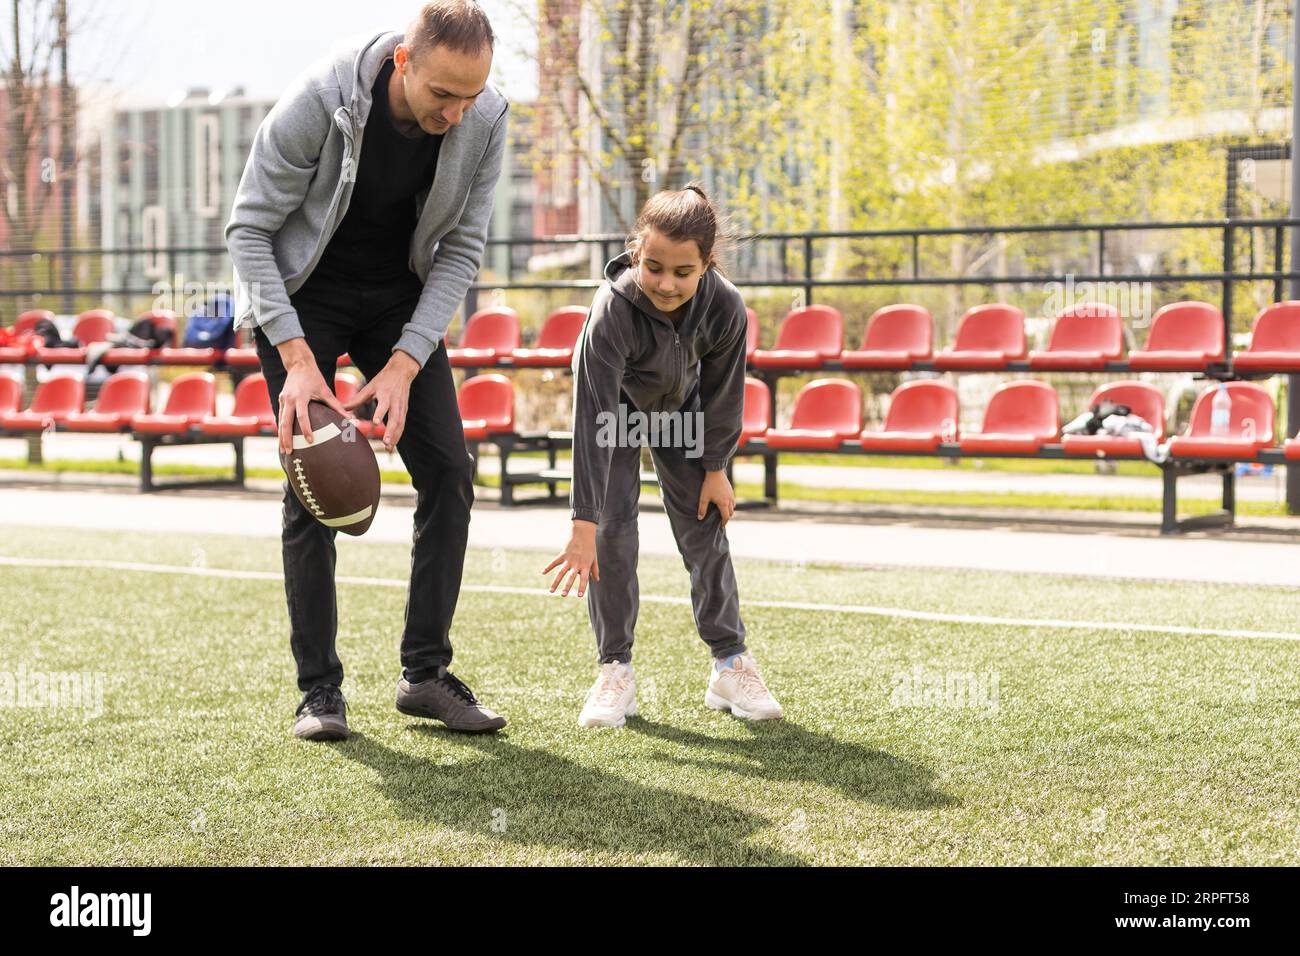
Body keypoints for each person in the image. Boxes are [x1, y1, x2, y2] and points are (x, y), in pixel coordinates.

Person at [225, 1, 508, 741]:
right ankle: (319, 692)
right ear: (403, 63)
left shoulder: (486, 118)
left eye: (470, 96)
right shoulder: (321, 98)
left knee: (448, 469)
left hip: (398, 299)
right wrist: (293, 358)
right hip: (301, 293)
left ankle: (424, 675)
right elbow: (248, 229)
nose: (456, 112)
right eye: (443, 94)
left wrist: (408, 362)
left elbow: (462, 251)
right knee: (311, 484)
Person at [543, 184, 783, 728]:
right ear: (635, 254)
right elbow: (592, 419)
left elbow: (725, 394)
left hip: (686, 415)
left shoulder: (725, 305)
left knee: (705, 531)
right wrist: (585, 519)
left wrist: (716, 469)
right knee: (613, 534)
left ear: (706, 265)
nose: (665, 284)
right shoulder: (610, 312)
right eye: (653, 267)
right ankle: (614, 672)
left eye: (682, 272)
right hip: (616, 416)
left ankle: (729, 664)